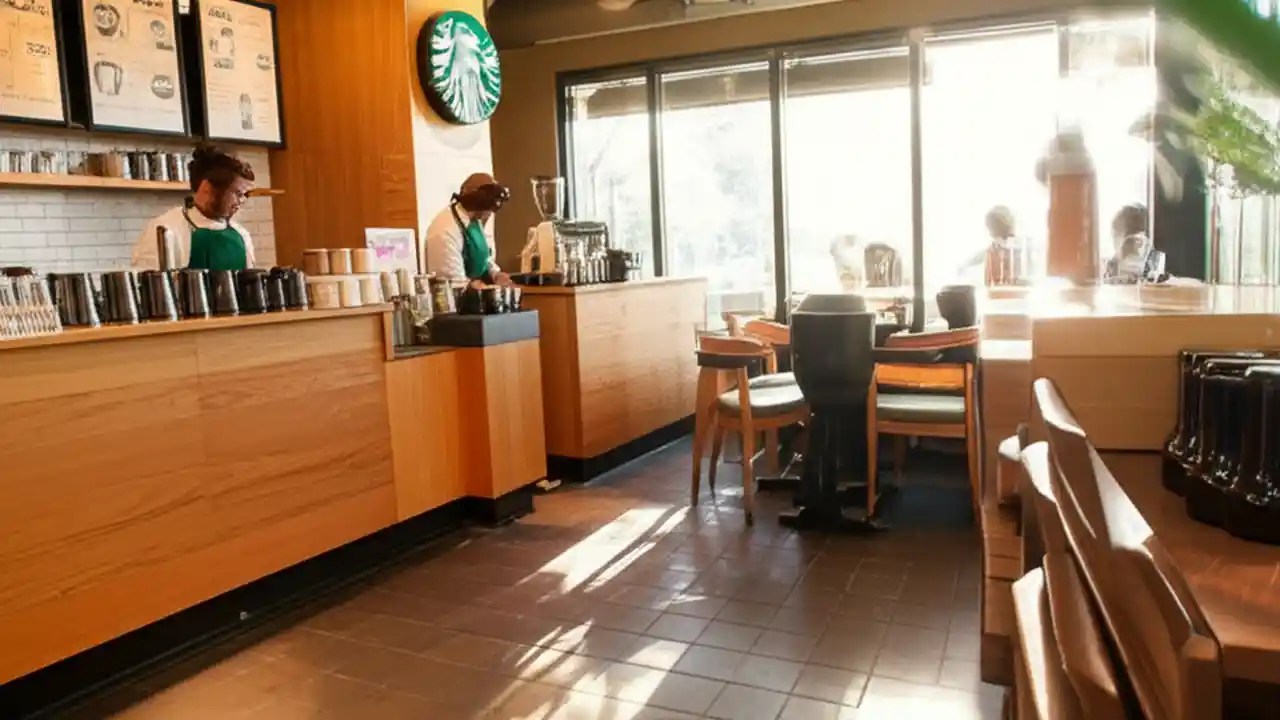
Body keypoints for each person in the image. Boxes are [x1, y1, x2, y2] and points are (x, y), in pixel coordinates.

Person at [131, 145, 256, 271]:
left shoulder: (241, 234)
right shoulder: (165, 231)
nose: (242, 201)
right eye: (238, 194)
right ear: (206, 188)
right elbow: (149, 284)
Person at [425, 173, 512, 288]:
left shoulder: (474, 220)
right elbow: (453, 282)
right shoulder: (446, 230)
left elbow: (484, 258)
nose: (490, 213)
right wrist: (473, 286)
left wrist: (494, 274)